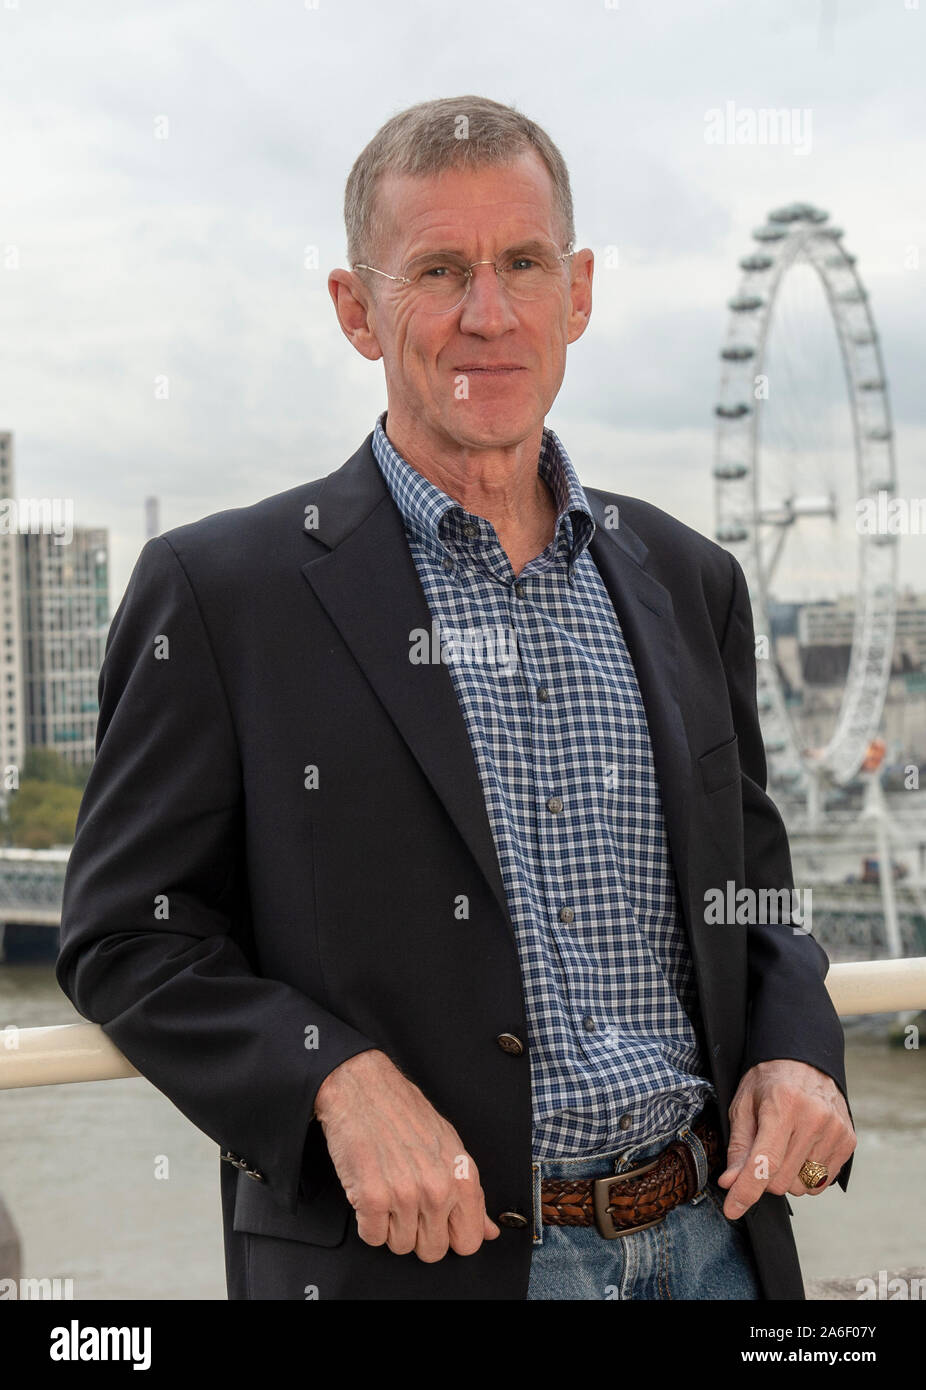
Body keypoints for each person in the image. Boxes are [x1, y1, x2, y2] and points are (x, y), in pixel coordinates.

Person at [56, 94, 856, 1301]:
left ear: (577, 292)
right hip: (431, 1267)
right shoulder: (223, 596)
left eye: (523, 263)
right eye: (438, 271)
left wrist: (798, 1049)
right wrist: (330, 1075)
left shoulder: (690, 577)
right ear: (355, 310)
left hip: (715, 1245)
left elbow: (755, 892)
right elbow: (127, 934)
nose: (490, 313)